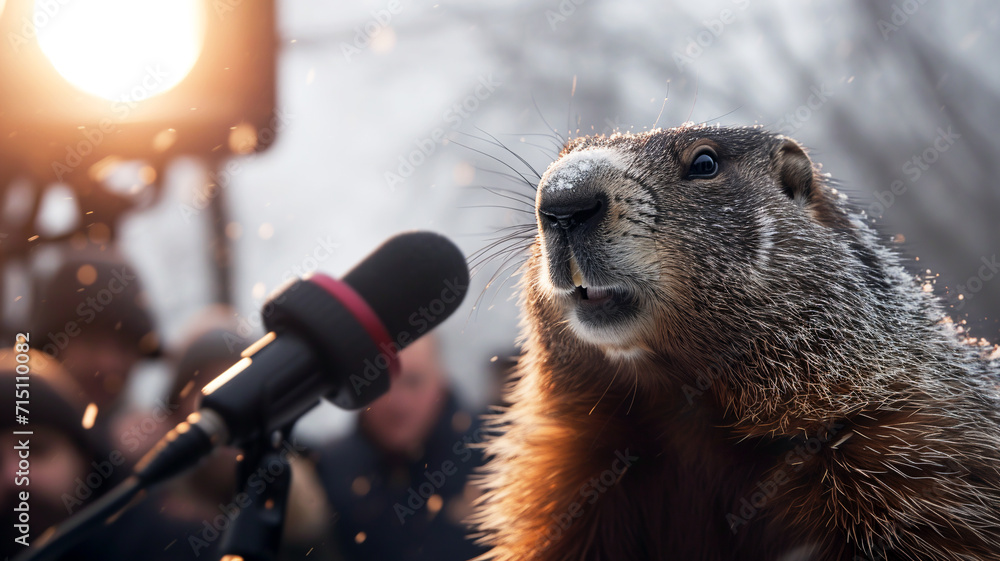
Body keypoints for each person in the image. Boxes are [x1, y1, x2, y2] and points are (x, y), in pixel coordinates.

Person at [317, 335, 486, 561]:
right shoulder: (329, 469)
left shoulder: (497, 456)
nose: (397, 402)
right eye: (381, 384)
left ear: (441, 381)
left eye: (413, 382)